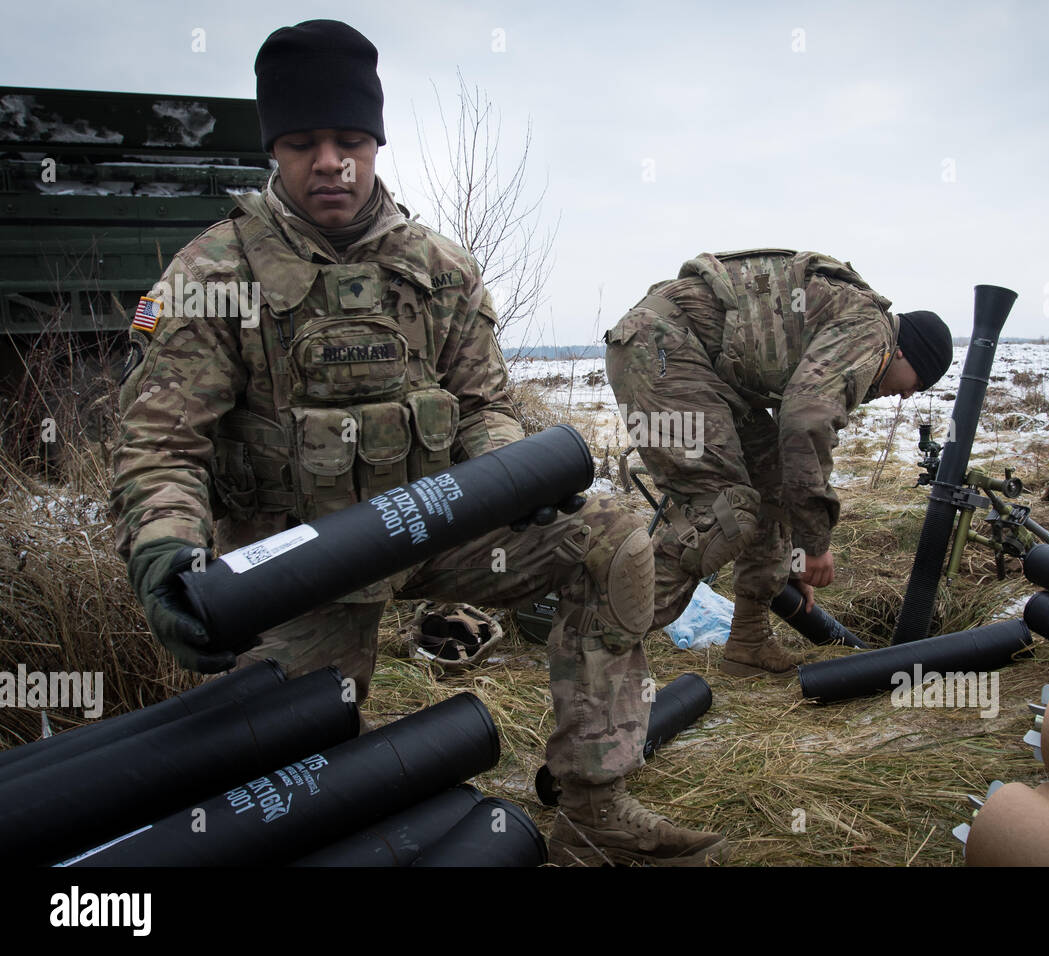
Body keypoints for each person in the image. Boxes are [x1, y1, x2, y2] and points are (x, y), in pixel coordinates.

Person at [110, 19, 726, 867]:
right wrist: (167, 557)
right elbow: (160, 448)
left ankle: (594, 802)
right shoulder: (214, 279)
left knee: (613, 537)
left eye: (350, 139)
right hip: (295, 570)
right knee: (299, 783)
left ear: (376, 141)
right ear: (275, 151)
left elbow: (482, 404)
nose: (330, 161)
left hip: (436, 532)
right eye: (303, 142)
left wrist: (513, 468)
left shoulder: (437, 268)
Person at [605, 249, 952, 676]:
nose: (905, 396)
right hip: (661, 348)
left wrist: (791, 560)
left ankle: (749, 639)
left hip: (698, 362)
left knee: (770, 484)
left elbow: (792, 445)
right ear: (904, 353)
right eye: (917, 383)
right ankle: (602, 636)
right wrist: (814, 545)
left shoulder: (855, 320)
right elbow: (807, 421)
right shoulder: (871, 333)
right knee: (719, 512)